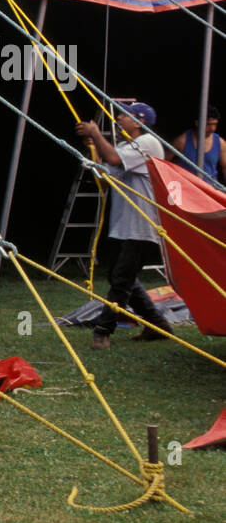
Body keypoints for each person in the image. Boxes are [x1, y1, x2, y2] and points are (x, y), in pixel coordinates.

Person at [74, 103, 172, 349]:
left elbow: (115, 159)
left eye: (124, 116)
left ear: (138, 122)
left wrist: (96, 133)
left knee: (121, 279)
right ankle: (158, 325)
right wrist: (94, 150)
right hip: (122, 226)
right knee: (120, 277)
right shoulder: (125, 147)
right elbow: (105, 179)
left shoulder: (149, 143)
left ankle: (103, 330)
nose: (118, 118)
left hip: (142, 226)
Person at [171, 106, 224, 184]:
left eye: (215, 124)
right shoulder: (182, 141)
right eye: (208, 124)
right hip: (186, 188)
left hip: (209, 189)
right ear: (197, 123)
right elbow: (164, 161)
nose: (212, 128)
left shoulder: (220, 143)